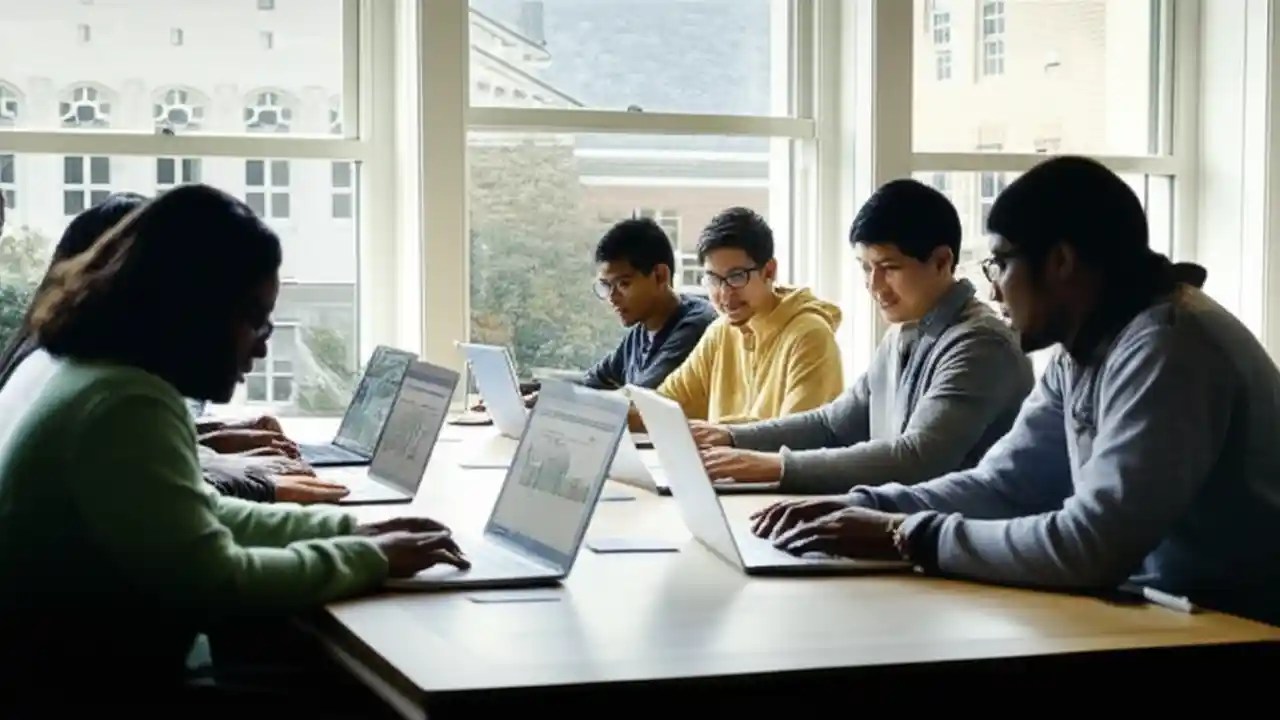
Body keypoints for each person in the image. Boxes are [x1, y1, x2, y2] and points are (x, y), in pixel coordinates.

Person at [752, 156, 1280, 627]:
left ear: (1061, 263)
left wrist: (906, 534)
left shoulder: (1168, 345)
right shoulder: (1084, 348)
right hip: (1166, 617)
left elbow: (1092, 545)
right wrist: (858, 506)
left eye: (1001, 262)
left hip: (1237, 630)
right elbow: (1007, 485)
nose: (992, 286)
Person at [0, 184, 469, 705]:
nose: (265, 342)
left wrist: (349, 528)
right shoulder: (125, 402)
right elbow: (216, 581)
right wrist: (366, 557)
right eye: (254, 317)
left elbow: (198, 516)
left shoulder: (81, 371)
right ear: (193, 309)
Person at [0, 192, 343, 504]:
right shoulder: (117, 395)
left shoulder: (55, 362)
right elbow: (191, 540)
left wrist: (208, 439)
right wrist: (257, 485)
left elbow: (128, 478)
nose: (261, 349)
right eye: (251, 319)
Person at [689, 180, 1032, 493]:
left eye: (890, 268)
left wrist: (777, 466)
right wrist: (730, 437)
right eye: (866, 267)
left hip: (955, 548)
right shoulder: (903, 332)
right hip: (900, 528)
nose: (874, 285)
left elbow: (917, 457)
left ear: (942, 261)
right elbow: (832, 425)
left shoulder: (981, 344)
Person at [644, 207, 844, 426]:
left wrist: (719, 433)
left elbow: (797, 438)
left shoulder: (810, 336)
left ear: (769, 271)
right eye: (713, 279)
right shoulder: (720, 331)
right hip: (723, 459)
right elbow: (662, 406)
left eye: (737, 277)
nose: (725, 294)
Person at [583, 217, 716, 390]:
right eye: (606, 286)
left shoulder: (696, 327)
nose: (612, 297)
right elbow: (594, 379)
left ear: (660, 276)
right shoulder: (640, 333)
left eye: (623, 284)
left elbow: (640, 400)